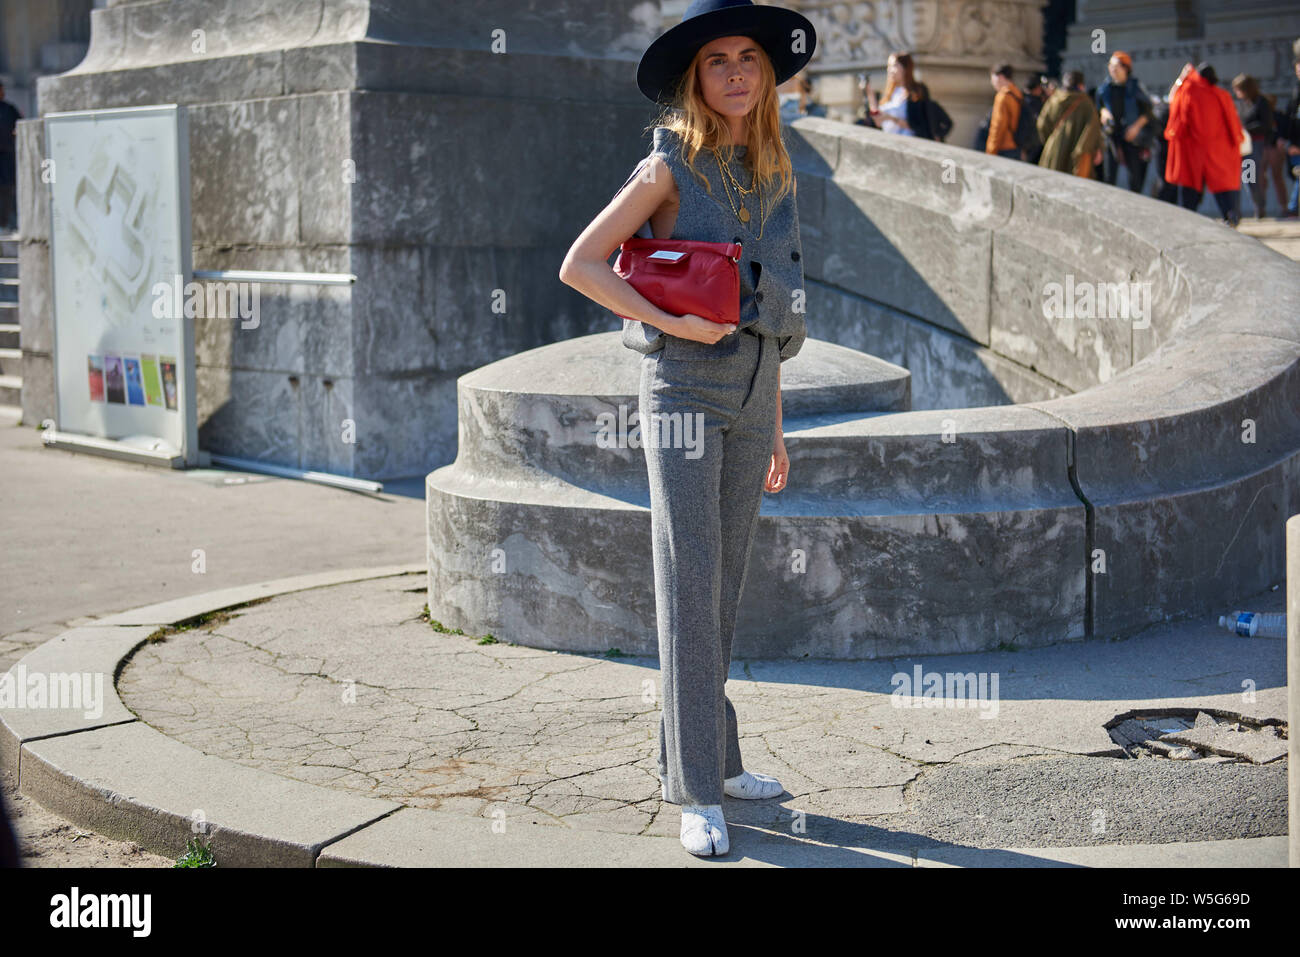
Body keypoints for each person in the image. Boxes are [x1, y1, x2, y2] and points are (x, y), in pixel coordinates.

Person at [558, 0, 813, 858]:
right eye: (718, 60)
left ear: (765, 75)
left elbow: (775, 317)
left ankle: (717, 756)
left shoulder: (774, 168)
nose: (736, 70)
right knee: (689, 579)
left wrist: (772, 425)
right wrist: (673, 325)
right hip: (683, 395)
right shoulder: (668, 164)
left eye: (749, 57)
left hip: (751, 398)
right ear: (695, 78)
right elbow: (583, 263)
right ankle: (696, 791)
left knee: (726, 584)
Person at [1164, 62, 1244, 227]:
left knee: (1191, 185)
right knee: (1224, 184)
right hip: (1221, 148)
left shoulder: (1188, 92)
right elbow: (1234, 124)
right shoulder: (1222, 94)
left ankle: (1188, 218)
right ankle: (1231, 216)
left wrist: (1181, 79)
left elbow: (1173, 104)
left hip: (1193, 148)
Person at [1096, 51, 1155, 192]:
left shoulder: (1135, 87)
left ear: (1126, 68)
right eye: (1111, 65)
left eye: (1116, 66)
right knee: (1109, 176)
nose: (1112, 69)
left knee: (1134, 177)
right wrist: (1104, 113)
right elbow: (1099, 106)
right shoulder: (1105, 88)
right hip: (1112, 135)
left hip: (1131, 136)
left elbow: (1148, 111)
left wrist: (1135, 128)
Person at [1232, 74, 1287, 218]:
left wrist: (1246, 128)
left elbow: (1266, 125)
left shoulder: (1261, 103)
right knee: (1247, 178)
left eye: (1238, 90)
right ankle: (1256, 207)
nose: (1236, 93)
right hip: (1243, 144)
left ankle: (1259, 207)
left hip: (1256, 144)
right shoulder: (1243, 103)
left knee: (1251, 177)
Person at [1036, 70, 1102, 178]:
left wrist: (1051, 139)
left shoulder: (1054, 99)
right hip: (1076, 156)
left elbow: (1041, 125)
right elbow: (1092, 131)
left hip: (1053, 150)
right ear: (1081, 85)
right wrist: (1094, 149)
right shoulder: (1086, 103)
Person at [1272, 51, 1300, 218]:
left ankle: (1292, 208)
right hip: (1294, 143)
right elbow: (1292, 119)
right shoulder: (1296, 91)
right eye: (1297, 71)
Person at [986, 63, 1023, 159]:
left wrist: (991, 150)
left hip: (1004, 147)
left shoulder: (1002, 96)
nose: (992, 82)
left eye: (993, 79)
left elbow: (998, 125)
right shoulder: (1016, 93)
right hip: (1016, 145)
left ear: (1001, 77)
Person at [0, 82, 22, 232]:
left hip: (6, 158)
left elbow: (19, 127)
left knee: (7, 191)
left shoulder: (9, 109)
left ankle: (4, 224)